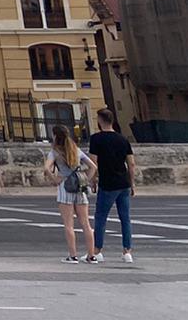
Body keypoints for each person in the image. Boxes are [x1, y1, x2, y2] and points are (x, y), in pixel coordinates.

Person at [88, 108, 136, 264]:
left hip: (108, 183)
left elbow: (93, 163)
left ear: (100, 121)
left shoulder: (96, 139)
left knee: (101, 217)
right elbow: (131, 164)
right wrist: (132, 183)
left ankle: (97, 250)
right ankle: (127, 251)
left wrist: (93, 180)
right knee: (125, 218)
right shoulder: (123, 139)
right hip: (123, 182)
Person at [44, 124, 96, 263]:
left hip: (65, 186)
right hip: (79, 186)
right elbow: (93, 166)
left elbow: (46, 168)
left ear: (55, 136)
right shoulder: (76, 150)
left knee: (69, 224)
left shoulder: (55, 152)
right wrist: (86, 179)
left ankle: (73, 255)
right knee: (86, 223)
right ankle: (91, 255)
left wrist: (55, 179)